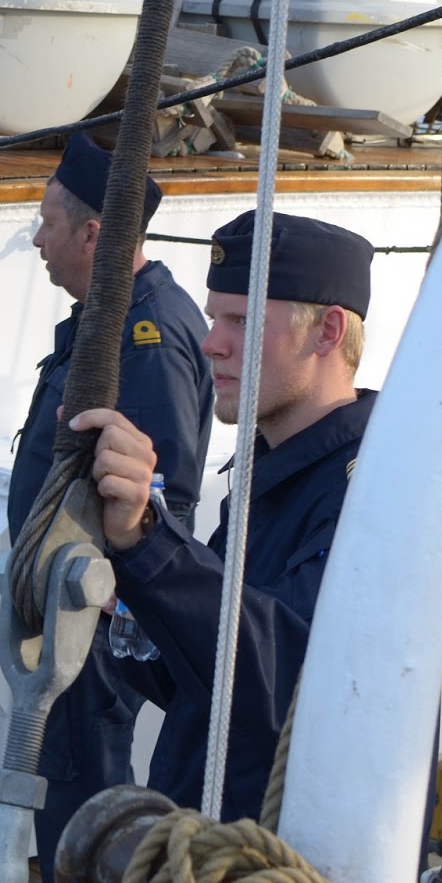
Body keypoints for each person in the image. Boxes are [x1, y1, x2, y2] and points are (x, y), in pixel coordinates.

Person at [72, 209, 375, 821]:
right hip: (208, 840)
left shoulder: (369, 494)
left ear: (327, 332)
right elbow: (191, 682)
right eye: (215, 318)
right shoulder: (269, 475)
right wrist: (131, 586)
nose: (212, 342)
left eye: (242, 320)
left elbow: (288, 682)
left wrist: (148, 545)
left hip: (277, 852)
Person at [10, 131, 213, 883]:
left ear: (93, 233)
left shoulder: (148, 339)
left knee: (84, 803)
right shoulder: (112, 319)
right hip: (63, 612)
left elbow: (163, 496)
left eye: (48, 223)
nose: (38, 240)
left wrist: (98, 609)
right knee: (63, 790)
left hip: (90, 629)